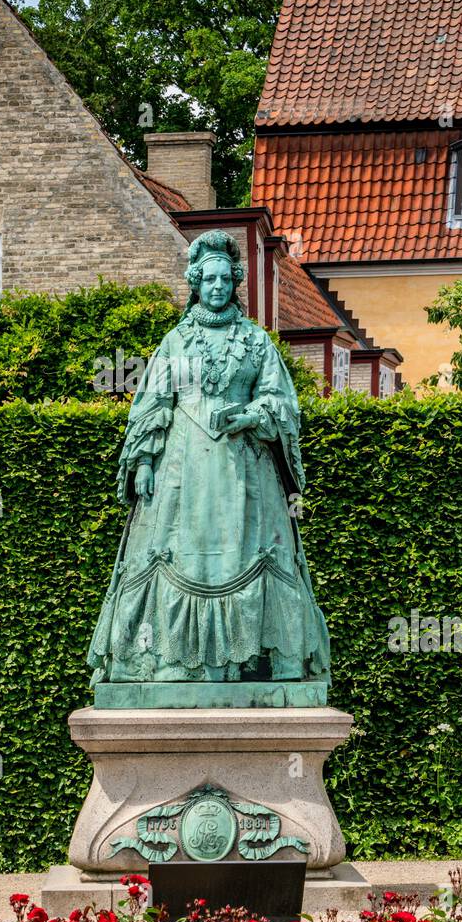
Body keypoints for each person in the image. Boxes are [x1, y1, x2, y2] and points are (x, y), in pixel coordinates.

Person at [87, 229, 330, 686]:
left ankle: (250, 662)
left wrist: (250, 415)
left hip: (245, 471)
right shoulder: (174, 343)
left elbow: (282, 403)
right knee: (177, 557)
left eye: (224, 279)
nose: (217, 287)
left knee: (252, 556)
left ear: (234, 282)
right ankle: (172, 661)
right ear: (195, 283)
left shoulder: (257, 342)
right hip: (181, 473)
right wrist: (142, 462)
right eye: (208, 279)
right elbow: (153, 404)